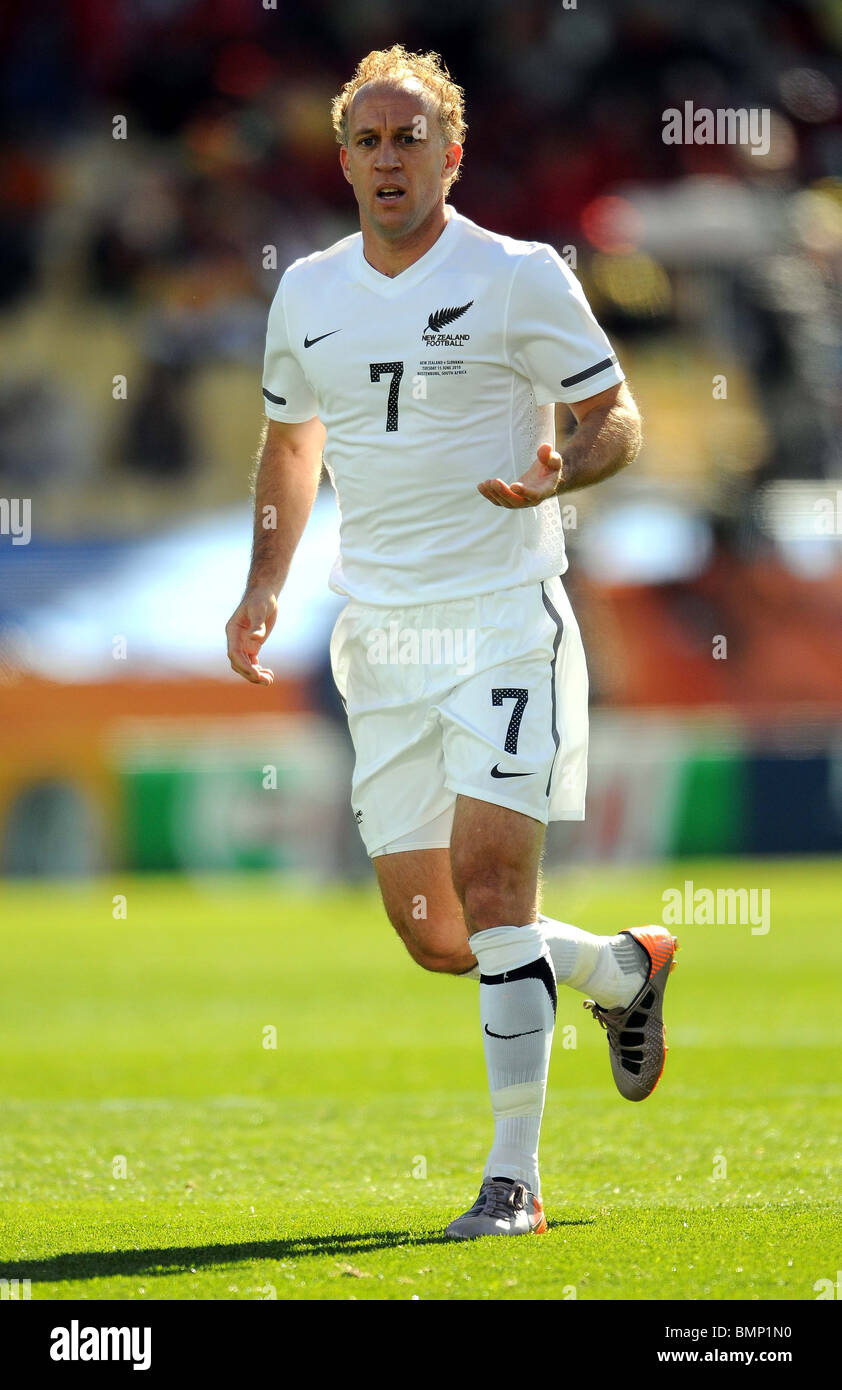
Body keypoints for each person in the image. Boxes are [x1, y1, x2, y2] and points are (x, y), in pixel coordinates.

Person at [226, 45, 678, 1240]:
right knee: (440, 939)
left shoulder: (520, 274)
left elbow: (612, 415)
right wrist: (263, 585)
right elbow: (288, 442)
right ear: (341, 160)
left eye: (408, 136)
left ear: (451, 153)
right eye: (367, 140)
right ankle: (622, 971)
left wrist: (560, 472)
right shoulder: (307, 291)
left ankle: (513, 1179)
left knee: (491, 896)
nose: (388, 157)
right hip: (378, 634)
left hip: (497, 618)